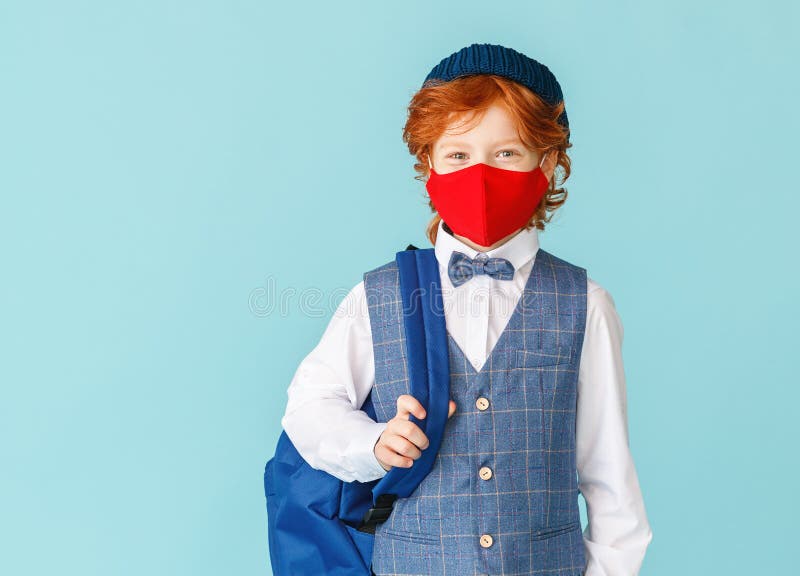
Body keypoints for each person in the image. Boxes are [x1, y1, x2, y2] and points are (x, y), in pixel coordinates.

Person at [281, 43, 653, 575]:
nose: (480, 174)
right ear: (427, 162)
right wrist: (373, 443)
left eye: (506, 153)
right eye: (458, 155)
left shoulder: (586, 304)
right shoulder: (377, 297)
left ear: (546, 162)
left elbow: (610, 481)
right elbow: (308, 406)